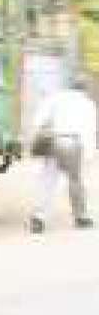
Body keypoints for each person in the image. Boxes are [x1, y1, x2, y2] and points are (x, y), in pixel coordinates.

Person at [29, 77, 97, 233]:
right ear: (84, 89)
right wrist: (88, 154)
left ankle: (39, 217)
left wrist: (41, 134)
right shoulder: (88, 104)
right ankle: (81, 217)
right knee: (75, 181)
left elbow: (38, 120)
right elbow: (89, 131)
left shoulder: (56, 97)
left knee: (48, 180)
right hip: (73, 143)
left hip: (53, 140)